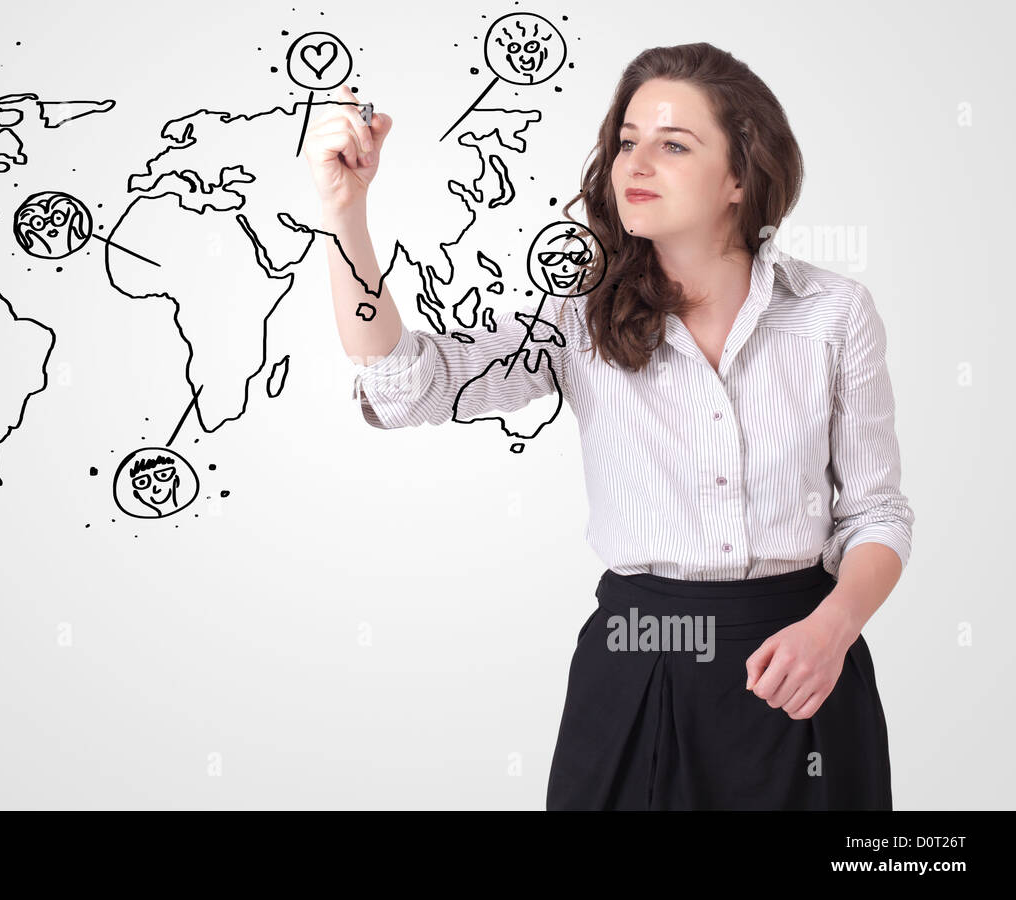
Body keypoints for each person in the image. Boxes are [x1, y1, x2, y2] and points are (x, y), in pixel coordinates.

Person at [302, 42, 913, 810]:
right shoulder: (576, 315)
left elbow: (876, 513)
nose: (635, 164)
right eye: (627, 142)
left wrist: (833, 629)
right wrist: (344, 215)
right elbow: (405, 387)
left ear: (739, 177)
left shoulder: (833, 313)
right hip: (637, 667)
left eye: (672, 145)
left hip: (803, 666)